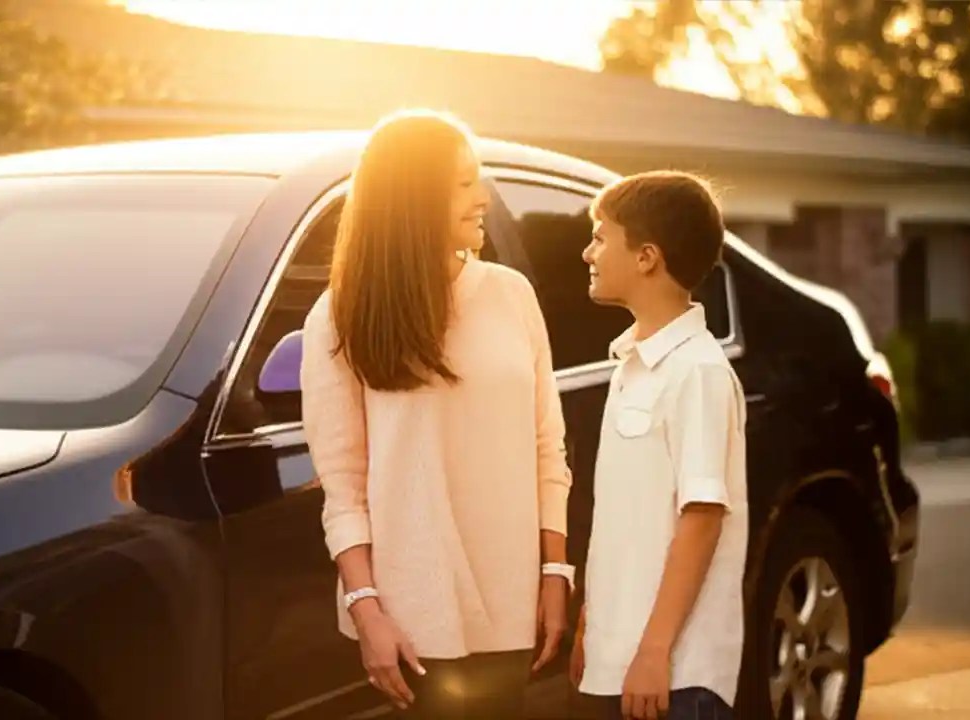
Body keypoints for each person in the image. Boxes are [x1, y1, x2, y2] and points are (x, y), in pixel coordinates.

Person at [299, 109, 575, 718]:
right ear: (412, 197)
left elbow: (546, 447)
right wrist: (365, 608)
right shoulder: (340, 316)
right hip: (413, 615)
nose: (482, 198)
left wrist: (556, 571)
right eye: (463, 184)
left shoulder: (511, 295)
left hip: (511, 602)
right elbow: (343, 485)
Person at [571, 171, 748, 720]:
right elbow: (627, 520)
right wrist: (590, 624)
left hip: (676, 675)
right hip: (619, 661)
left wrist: (654, 650)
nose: (587, 252)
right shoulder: (632, 365)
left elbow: (701, 517)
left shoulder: (698, 372)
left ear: (646, 256)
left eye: (601, 237)